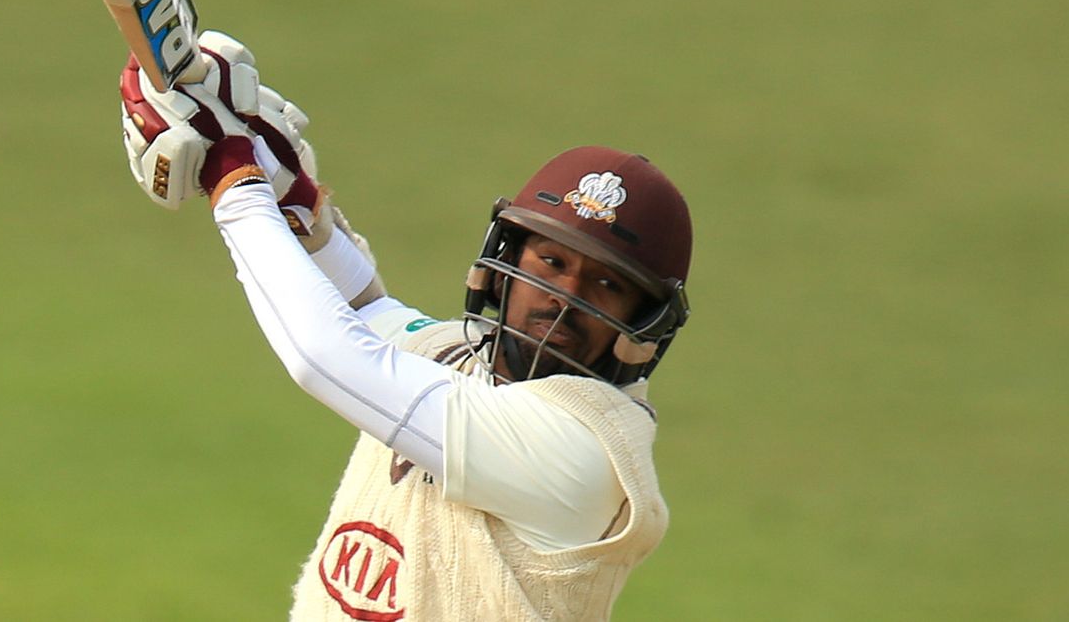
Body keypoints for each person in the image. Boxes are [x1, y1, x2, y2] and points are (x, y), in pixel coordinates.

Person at [118, 31, 693, 621]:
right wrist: (287, 187)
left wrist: (231, 175)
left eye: (606, 284)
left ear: (642, 322)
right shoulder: (468, 363)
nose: (565, 297)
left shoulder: (583, 450)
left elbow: (326, 353)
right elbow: (366, 313)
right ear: (508, 262)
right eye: (552, 262)